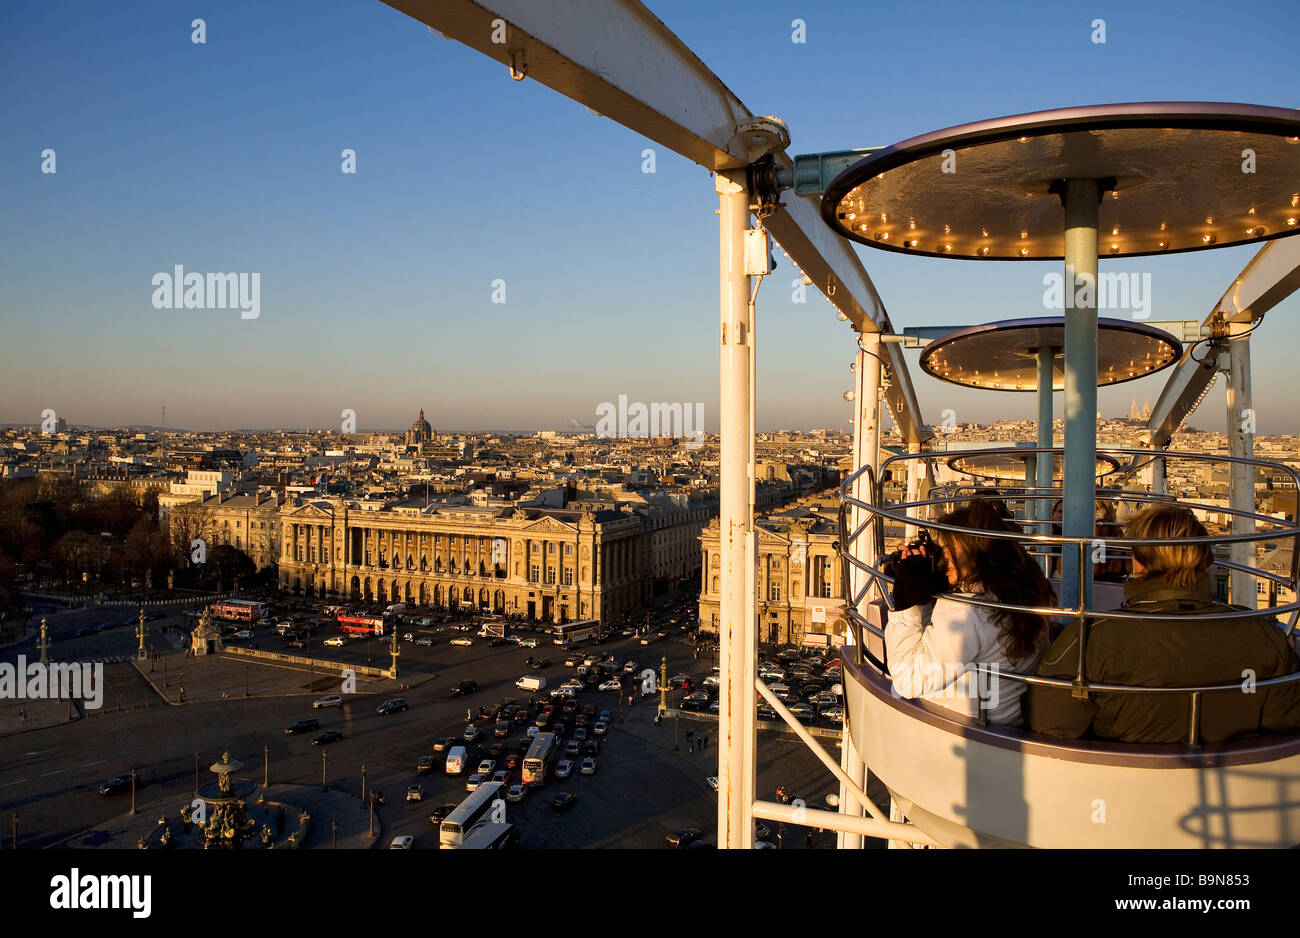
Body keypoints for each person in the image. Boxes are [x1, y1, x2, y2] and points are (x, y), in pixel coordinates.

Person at [1025, 504, 1300, 743]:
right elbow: (1287, 721)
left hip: (1124, 789)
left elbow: (1049, 722)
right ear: (1206, 562)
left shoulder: (1092, 638)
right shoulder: (1261, 634)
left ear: (1139, 565)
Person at [886, 499, 1057, 726]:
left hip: (973, 724)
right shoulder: (1016, 587)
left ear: (971, 548)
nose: (943, 558)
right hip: (1009, 713)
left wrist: (906, 605)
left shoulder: (965, 610)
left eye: (947, 549)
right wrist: (931, 596)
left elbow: (907, 681)